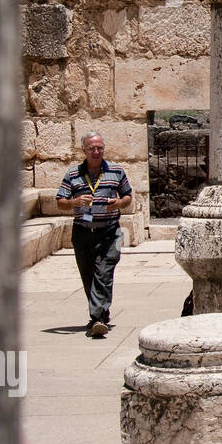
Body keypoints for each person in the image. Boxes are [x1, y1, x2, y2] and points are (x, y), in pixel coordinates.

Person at [56, 131, 133, 337]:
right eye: (92, 148)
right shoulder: (73, 175)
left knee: (104, 273)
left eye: (100, 148)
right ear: (84, 150)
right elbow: (60, 201)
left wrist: (117, 203)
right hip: (83, 231)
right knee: (89, 275)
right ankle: (102, 313)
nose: (96, 152)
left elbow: (128, 197)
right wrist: (74, 202)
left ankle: (96, 319)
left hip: (111, 231)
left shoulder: (116, 171)